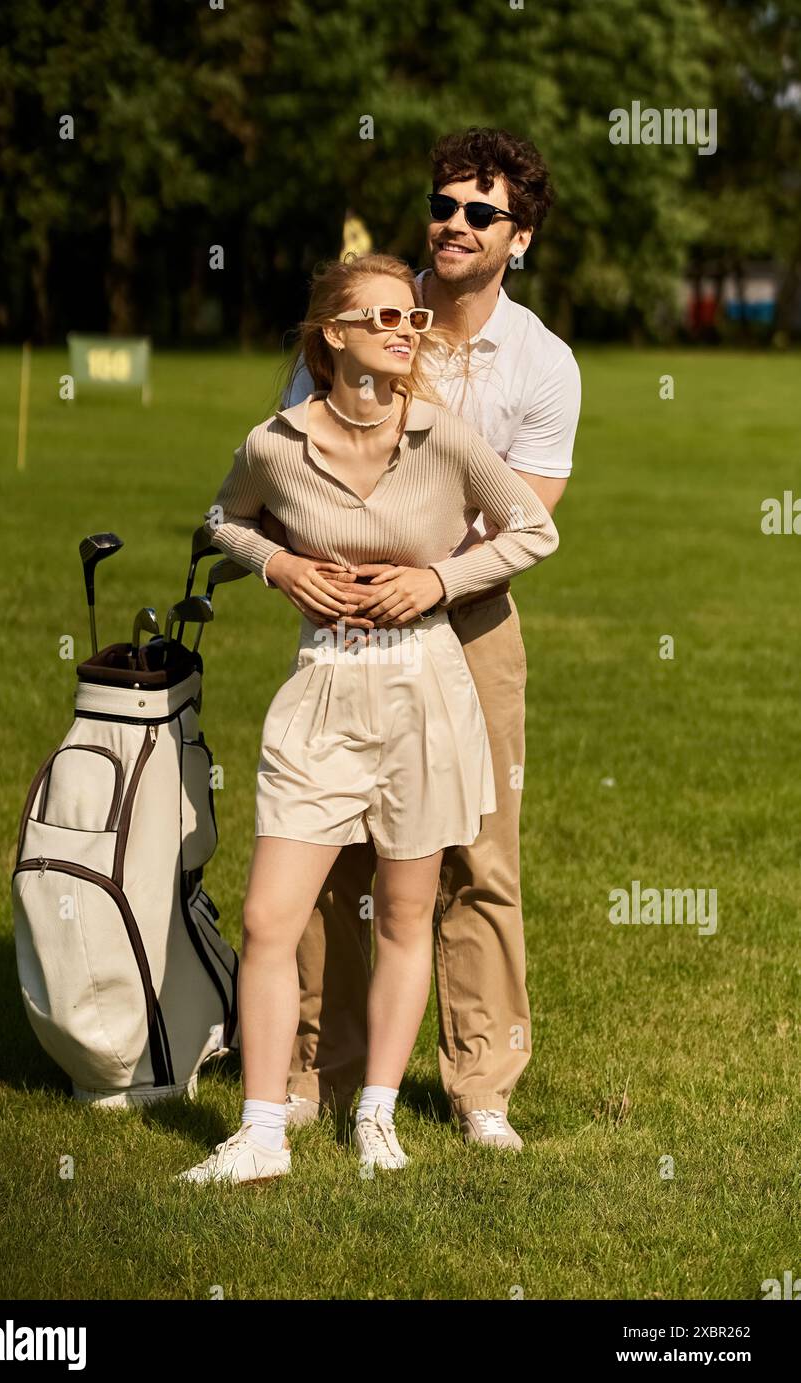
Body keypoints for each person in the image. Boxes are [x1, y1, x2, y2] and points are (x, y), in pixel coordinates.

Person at [177, 252, 558, 1186]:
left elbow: (533, 528)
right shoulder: (276, 443)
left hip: (428, 687)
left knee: (403, 913)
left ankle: (377, 1119)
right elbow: (223, 522)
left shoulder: (447, 435)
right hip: (321, 693)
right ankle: (262, 1133)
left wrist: (437, 579)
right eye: (383, 317)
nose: (405, 329)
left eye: (412, 320)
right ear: (333, 336)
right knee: (271, 917)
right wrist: (281, 568)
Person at [280, 128, 580, 1150]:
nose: (454, 224)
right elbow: (288, 468)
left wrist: (431, 581)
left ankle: (480, 1087)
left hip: (472, 628)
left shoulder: (542, 361)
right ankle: (311, 1076)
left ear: (520, 235)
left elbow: (526, 523)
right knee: (331, 858)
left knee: (477, 860)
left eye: (479, 212)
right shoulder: (360, 311)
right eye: (443, 205)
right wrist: (319, 581)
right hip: (348, 620)